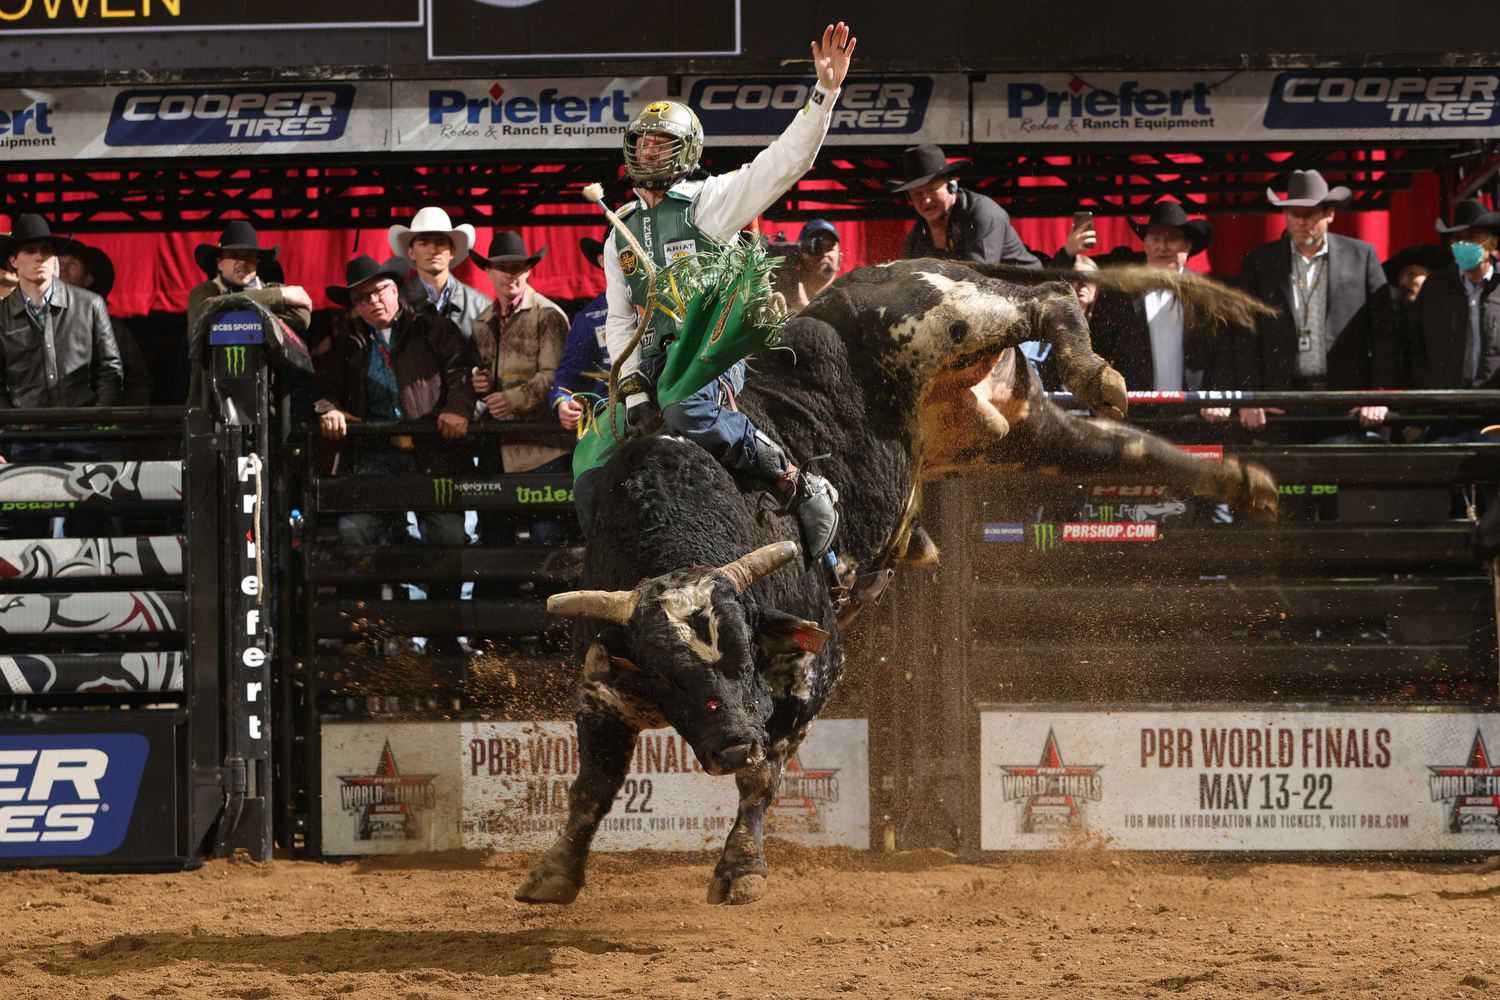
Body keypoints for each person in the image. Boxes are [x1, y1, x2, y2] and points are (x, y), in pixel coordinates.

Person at [598, 21, 855, 558]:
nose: (647, 151)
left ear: (686, 152)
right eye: (641, 142)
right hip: (652, 362)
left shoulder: (709, 201)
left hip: (711, 353)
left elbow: (784, 163)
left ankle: (796, 482)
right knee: (592, 455)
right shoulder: (617, 229)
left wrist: (824, 93)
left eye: (661, 143)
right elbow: (620, 320)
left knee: (684, 408)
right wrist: (633, 392)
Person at [315, 254, 476, 577]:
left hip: (433, 452)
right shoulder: (350, 343)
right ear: (355, 306)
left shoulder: (434, 328)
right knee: (353, 534)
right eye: (362, 298)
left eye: (379, 291)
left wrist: (457, 410)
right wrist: (328, 409)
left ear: (395, 290)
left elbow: (462, 377)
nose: (373, 301)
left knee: (449, 538)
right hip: (377, 455)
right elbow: (325, 388)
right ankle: (380, 604)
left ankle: (438, 609)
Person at [1235, 170, 1399, 430]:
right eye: (1294, 213)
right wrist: (1251, 395)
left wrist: (1379, 395)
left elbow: (1384, 332)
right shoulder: (1260, 261)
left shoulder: (1361, 255)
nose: (1301, 222)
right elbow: (1245, 333)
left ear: (1329, 214)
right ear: (1284, 214)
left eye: (1310, 214)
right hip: (1279, 403)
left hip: (1345, 402)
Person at [0, 214, 123, 537]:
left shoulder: (90, 304)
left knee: (89, 529)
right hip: (27, 437)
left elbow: (111, 370)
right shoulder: (1, 315)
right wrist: (12, 427)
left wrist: (95, 420)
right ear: (13, 260)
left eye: (47, 250)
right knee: (27, 534)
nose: (40, 258)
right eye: (30, 251)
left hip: (82, 432)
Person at [1082, 202, 1242, 403]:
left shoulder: (1206, 292)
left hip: (1195, 409)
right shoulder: (1120, 292)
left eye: (1171, 239)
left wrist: (1219, 397)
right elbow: (1100, 349)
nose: (1162, 247)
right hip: (1136, 408)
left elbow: (1223, 350)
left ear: (1187, 246)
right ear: (1145, 244)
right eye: (1155, 239)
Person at [468, 231, 570, 474]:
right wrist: (483, 382)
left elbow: (557, 377)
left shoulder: (548, 314)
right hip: (499, 445)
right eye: (501, 267)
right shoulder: (481, 323)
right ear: (488, 271)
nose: (509, 274)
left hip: (544, 448)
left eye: (516, 267)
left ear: (527, 270)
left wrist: (511, 399)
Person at [892, 144, 1040, 267]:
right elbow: (909, 276)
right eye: (917, 194)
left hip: (1026, 289)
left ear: (951, 186)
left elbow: (979, 277)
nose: (926, 200)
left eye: (932, 190)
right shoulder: (918, 234)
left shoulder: (983, 213)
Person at [1408, 200, 1500, 389]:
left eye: (1472, 237)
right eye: (1458, 238)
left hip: (1494, 400)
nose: (1464, 244)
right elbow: (1413, 344)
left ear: (1492, 244)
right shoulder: (1434, 286)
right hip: (1446, 401)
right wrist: (1428, 385)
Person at [58, 242, 152, 407]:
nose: (62, 268)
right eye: (58, 263)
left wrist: (113, 417)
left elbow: (137, 382)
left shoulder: (115, 329)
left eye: (73, 264)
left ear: (88, 280)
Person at [185, 221, 312, 337]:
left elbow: (302, 317)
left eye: (249, 256)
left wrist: (226, 313)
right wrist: (278, 297)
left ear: (257, 263)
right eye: (234, 255)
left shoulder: (272, 288)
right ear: (220, 263)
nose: (242, 262)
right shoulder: (204, 291)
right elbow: (201, 311)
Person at [389, 207, 492, 336]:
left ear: (452, 251)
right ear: (411, 252)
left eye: (441, 243)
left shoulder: (480, 305)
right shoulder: (394, 304)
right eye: (424, 244)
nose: (433, 251)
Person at [551, 236, 611, 435]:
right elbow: (570, 373)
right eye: (617, 253)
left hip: (659, 415)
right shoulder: (589, 317)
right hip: (608, 421)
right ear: (602, 260)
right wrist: (563, 402)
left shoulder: (661, 303)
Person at [791, 219, 842, 310]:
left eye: (829, 247)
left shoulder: (847, 295)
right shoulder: (782, 294)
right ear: (799, 253)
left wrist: (804, 307)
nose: (823, 253)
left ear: (840, 257)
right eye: (815, 247)